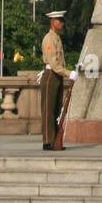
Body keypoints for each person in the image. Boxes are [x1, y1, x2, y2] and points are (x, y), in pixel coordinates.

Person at [40, 10, 68, 151]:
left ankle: (56, 139)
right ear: (52, 22)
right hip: (51, 74)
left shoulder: (57, 38)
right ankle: (47, 140)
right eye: (59, 20)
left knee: (57, 109)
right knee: (48, 109)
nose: (62, 23)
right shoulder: (49, 39)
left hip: (57, 75)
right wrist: (68, 73)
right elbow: (54, 62)